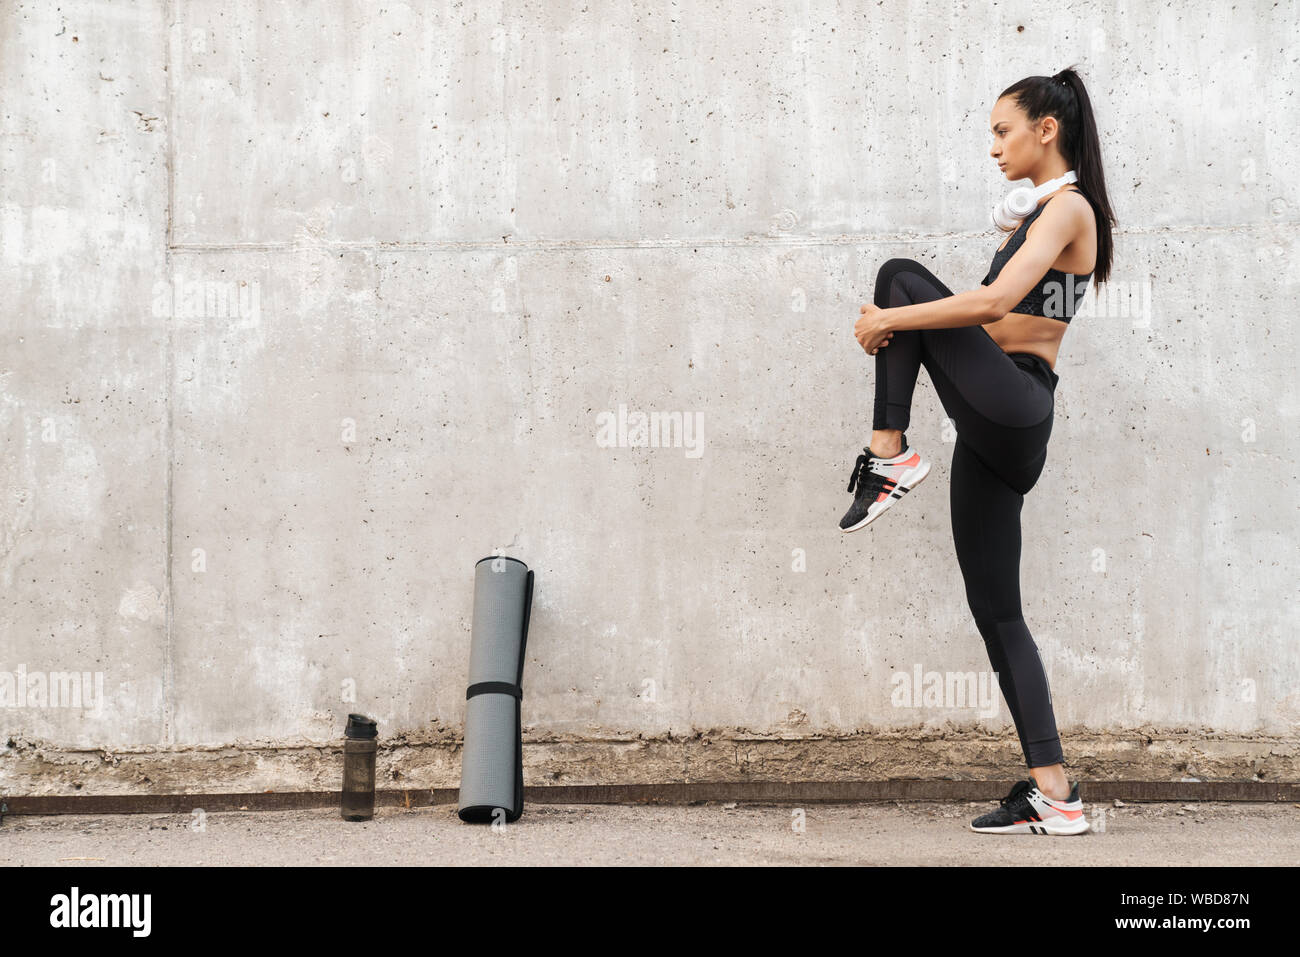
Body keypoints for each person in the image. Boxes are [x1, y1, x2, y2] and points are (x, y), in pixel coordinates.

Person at [842, 67, 1116, 835]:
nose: (992, 147)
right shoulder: (1044, 221)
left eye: (1002, 131)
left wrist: (892, 320)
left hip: (1019, 402)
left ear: (1046, 129)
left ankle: (889, 450)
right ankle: (1055, 793)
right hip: (1004, 418)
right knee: (997, 610)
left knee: (898, 279)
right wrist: (915, 326)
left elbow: (997, 308)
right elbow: (1017, 323)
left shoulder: (1070, 210)